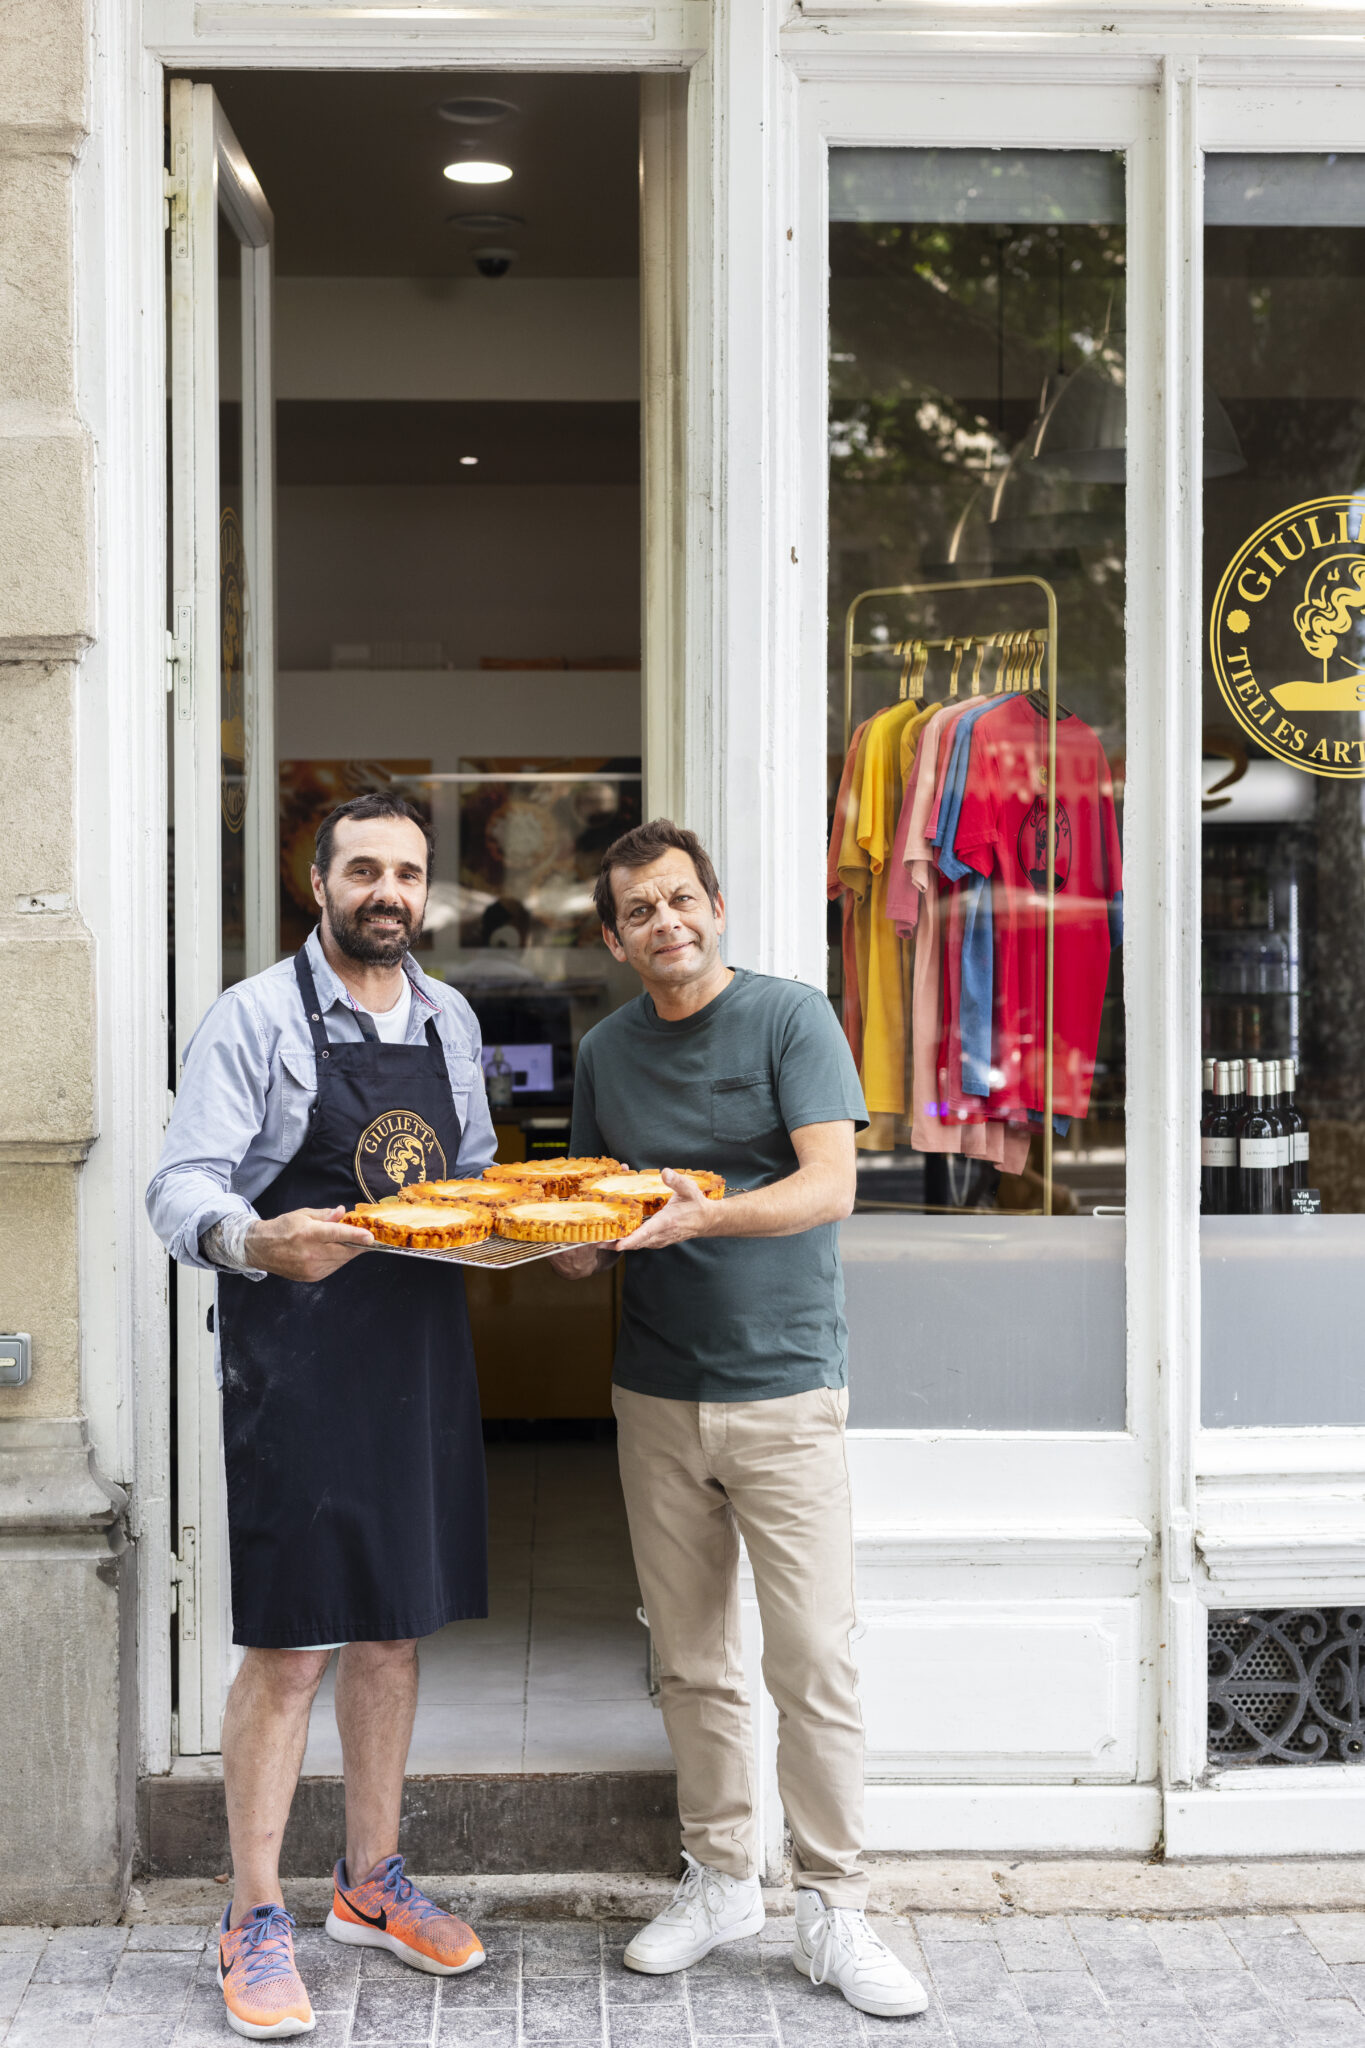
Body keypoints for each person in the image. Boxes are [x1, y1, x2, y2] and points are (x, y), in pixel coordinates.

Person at [553, 818, 927, 2021]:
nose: (668, 922)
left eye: (682, 899)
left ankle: (836, 1905)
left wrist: (702, 1216)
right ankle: (720, 1876)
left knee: (814, 1653)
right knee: (693, 1657)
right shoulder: (606, 1050)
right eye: (642, 911)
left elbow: (832, 1184)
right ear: (614, 939)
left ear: (717, 903)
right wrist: (551, 1243)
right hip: (655, 1391)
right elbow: (598, 1210)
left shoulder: (789, 1016)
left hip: (785, 1386)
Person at [147, 792, 494, 2041]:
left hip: (414, 1348)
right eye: (364, 869)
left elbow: (472, 1180)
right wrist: (254, 1235)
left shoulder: (448, 1015)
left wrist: (542, 1236)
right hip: (294, 1353)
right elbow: (179, 1181)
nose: (387, 890)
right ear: (322, 883)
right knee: (294, 1644)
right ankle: (250, 1910)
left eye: (407, 871)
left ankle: (368, 1881)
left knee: (394, 1630)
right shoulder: (255, 1015)